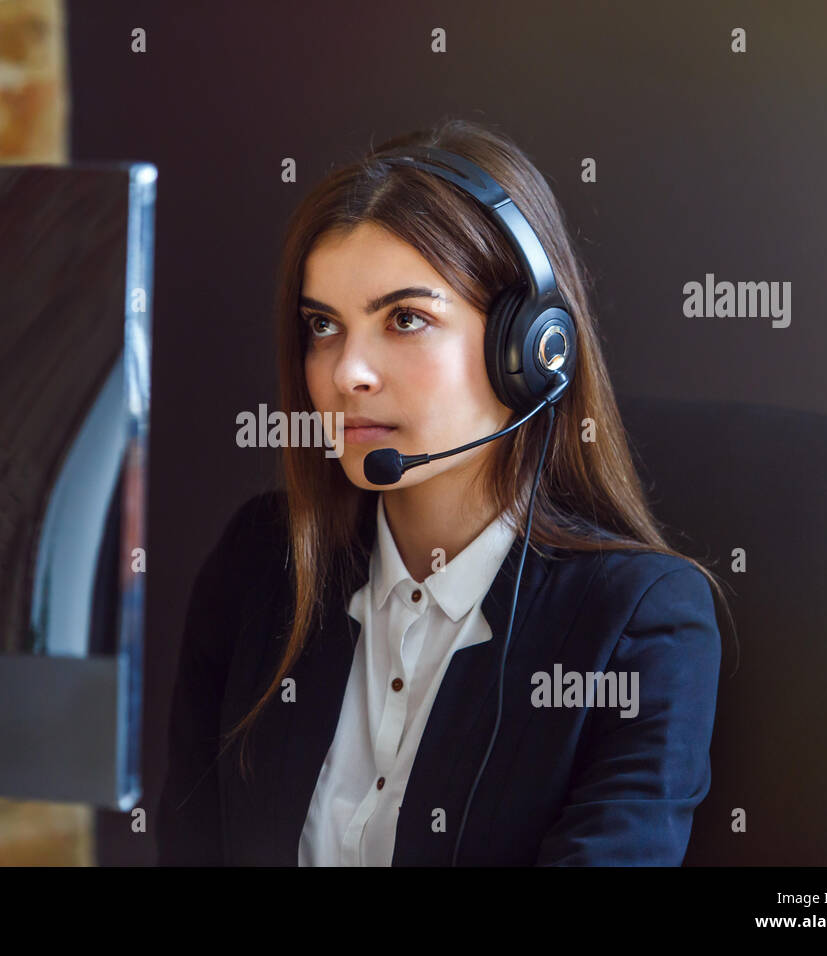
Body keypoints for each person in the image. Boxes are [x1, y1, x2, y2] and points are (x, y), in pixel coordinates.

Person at [157, 117, 729, 866]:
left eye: (405, 319)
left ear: (531, 349)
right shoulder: (262, 566)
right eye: (323, 326)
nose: (346, 373)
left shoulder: (640, 628)